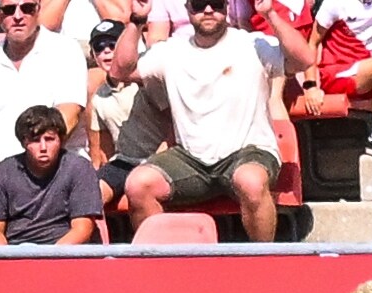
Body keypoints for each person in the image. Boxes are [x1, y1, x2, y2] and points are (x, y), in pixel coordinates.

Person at [112, 0, 313, 242]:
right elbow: (119, 71)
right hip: (190, 159)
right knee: (138, 184)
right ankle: (162, 259)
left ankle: (263, 258)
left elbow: (304, 60)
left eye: (215, 3)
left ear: (227, 6)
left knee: (250, 181)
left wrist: (270, 14)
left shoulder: (253, 44)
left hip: (249, 151)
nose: (208, 10)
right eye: (199, 4)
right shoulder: (171, 51)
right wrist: (136, 23)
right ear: (188, 9)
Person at [297, 0, 372, 163]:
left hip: (366, 67)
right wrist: (311, 86)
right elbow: (312, 43)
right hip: (336, 72)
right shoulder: (335, 3)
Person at [0, 0, 88, 172]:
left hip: (54, 167)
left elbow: (69, 113)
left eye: (27, 8)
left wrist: (32, 162)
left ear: (38, 9)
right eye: (9, 10)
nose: (18, 16)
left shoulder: (65, 49)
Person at [86, 17, 170, 216]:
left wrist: (158, 159)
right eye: (99, 47)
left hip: (161, 158)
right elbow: (103, 153)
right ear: (93, 55)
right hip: (124, 162)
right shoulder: (98, 98)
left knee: (141, 185)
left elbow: (172, 125)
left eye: (113, 44)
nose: (107, 51)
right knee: (89, 194)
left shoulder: (147, 84)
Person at [0, 101, 99, 240]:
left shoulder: (79, 168)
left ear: (60, 140)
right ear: (24, 142)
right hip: (14, 247)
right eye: (35, 140)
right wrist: (5, 253)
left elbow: (82, 228)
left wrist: (54, 253)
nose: (43, 147)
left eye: (49, 139)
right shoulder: (3, 172)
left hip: (64, 247)